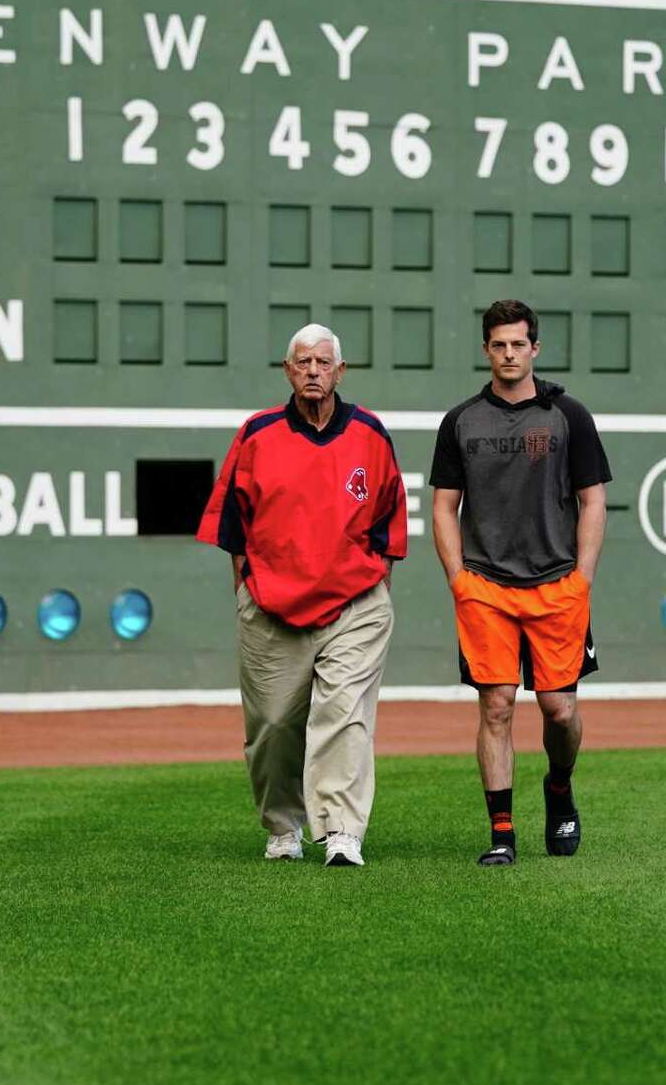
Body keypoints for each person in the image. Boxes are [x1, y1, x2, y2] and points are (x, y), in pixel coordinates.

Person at [197, 323, 407, 867]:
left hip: (354, 605)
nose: (313, 371)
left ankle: (342, 831)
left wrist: (368, 593)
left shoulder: (370, 434)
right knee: (271, 725)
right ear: (287, 371)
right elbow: (234, 534)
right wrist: (250, 596)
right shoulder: (258, 434)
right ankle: (283, 827)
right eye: (302, 362)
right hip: (272, 606)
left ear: (341, 371)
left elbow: (389, 527)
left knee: (343, 714)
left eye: (322, 362)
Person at [429, 299, 611, 867]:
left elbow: (594, 499)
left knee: (558, 710)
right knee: (498, 706)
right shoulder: (461, 421)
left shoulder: (568, 416)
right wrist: (459, 578)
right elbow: (442, 506)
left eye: (518, 344)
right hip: (486, 586)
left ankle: (559, 786)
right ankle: (502, 834)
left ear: (535, 348)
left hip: (558, 584)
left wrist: (582, 578)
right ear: (486, 349)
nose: (508, 354)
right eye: (498, 344)